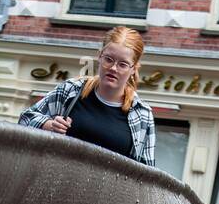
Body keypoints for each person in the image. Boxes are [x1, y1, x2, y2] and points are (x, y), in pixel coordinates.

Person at [17, 27, 156, 167]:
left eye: (123, 64)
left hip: (110, 189)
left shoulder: (142, 113)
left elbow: (147, 173)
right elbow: (25, 119)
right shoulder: (71, 90)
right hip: (58, 184)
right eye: (109, 59)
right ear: (99, 56)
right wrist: (49, 125)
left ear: (133, 69)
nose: (113, 68)